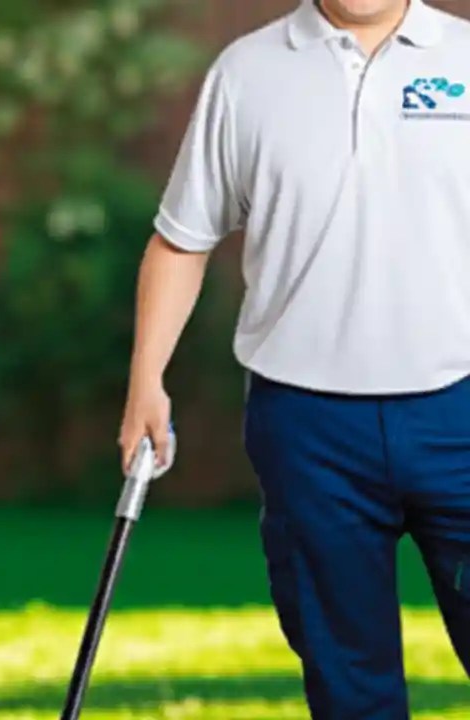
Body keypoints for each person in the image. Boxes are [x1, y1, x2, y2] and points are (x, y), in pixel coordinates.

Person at [119, 0, 470, 715]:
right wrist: (144, 383)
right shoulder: (248, 72)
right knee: (346, 680)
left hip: (459, 408)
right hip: (307, 427)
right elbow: (181, 240)